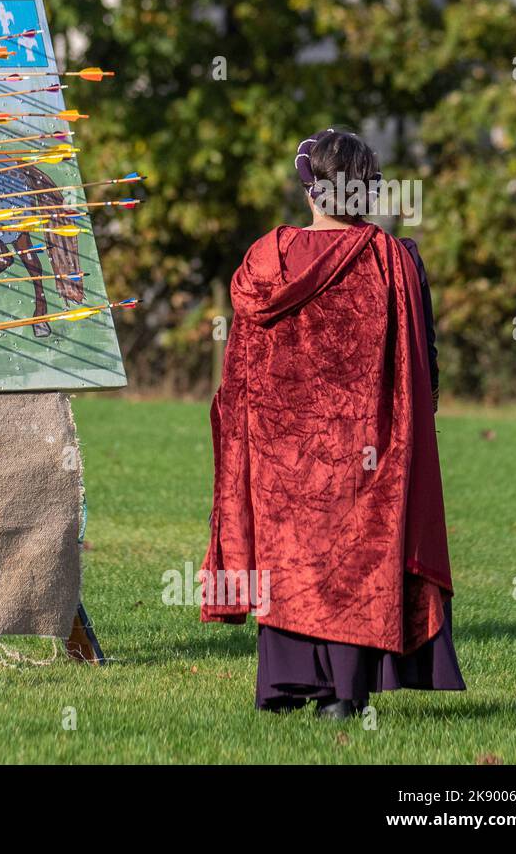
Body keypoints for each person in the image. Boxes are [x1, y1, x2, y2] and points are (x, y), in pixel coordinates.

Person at [201, 129, 464, 718]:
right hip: (366, 444)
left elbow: (239, 366)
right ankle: (344, 695)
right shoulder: (392, 260)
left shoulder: (268, 258)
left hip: (280, 451)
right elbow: (422, 363)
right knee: (357, 554)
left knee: (289, 552)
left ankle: (288, 684)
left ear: (309, 189)